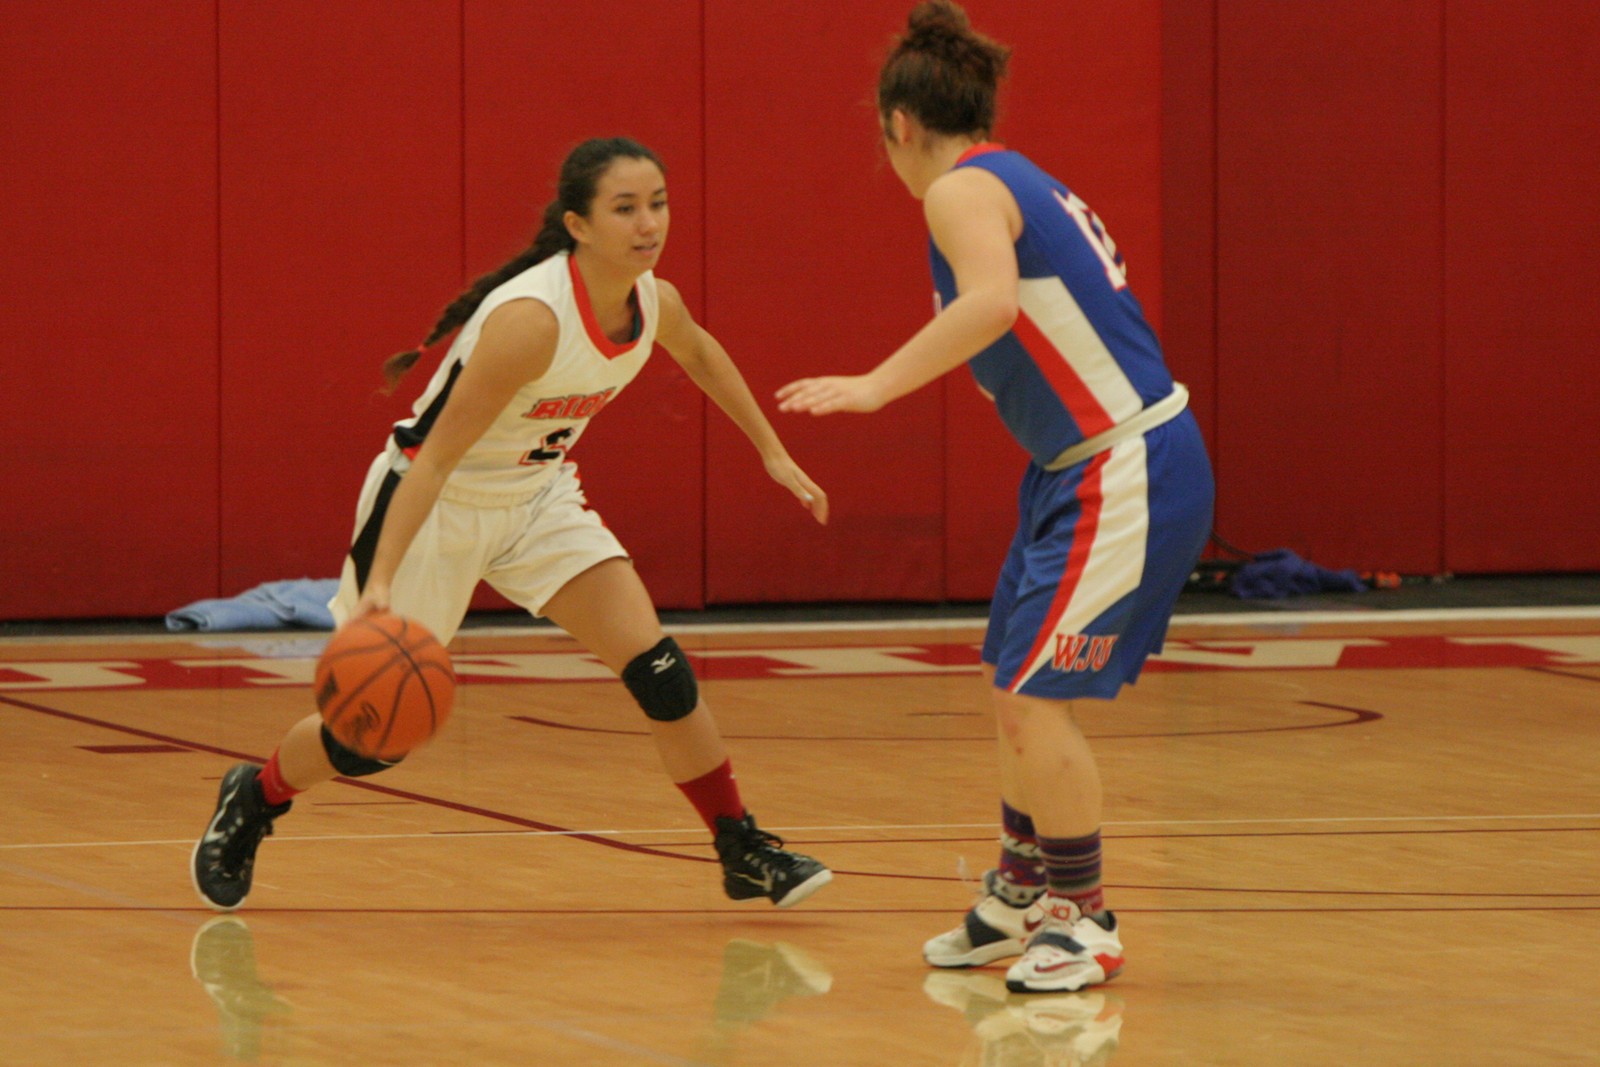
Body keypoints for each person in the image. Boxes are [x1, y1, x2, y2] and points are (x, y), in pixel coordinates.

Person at [193, 137, 833, 913]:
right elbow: (430, 462)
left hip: (536, 496)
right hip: (437, 504)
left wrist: (770, 451)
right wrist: (382, 584)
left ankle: (740, 846)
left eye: (657, 203)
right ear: (579, 223)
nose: (648, 223)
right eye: (625, 208)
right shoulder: (532, 321)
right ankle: (256, 794)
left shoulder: (653, 300)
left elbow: (700, 353)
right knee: (370, 737)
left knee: (660, 670)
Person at [777, 2, 1213, 994]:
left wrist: (873, 384)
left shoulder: (961, 191)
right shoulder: (1012, 176)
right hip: (1075, 467)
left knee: (1033, 699)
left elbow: (990, 304)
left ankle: (1082, 915)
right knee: (1009, 682)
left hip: (1125, 463)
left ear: (897, 123)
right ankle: (1020, 890)